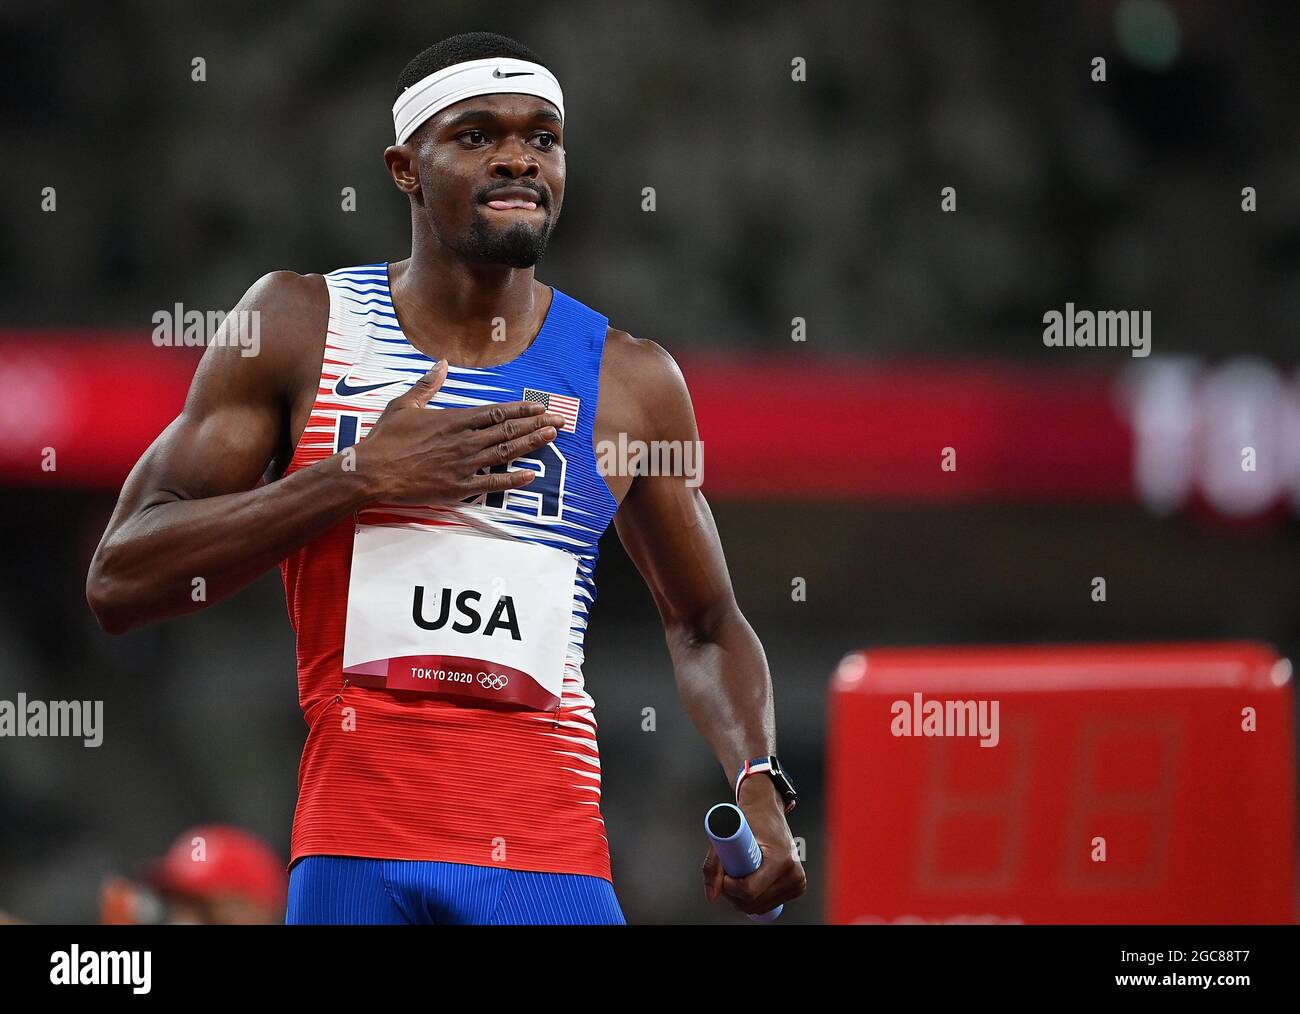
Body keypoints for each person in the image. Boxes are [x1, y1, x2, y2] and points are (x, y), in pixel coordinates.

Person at [87, 31, 805, 924]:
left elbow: (705, 625)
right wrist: (356, 476)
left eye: (543, 137)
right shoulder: (298, 326)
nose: (518, 158)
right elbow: (121, 576)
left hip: (551, 864)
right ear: (404, 168)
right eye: (476, 135)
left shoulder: (631, 383)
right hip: (355, 855)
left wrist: (760, 775)